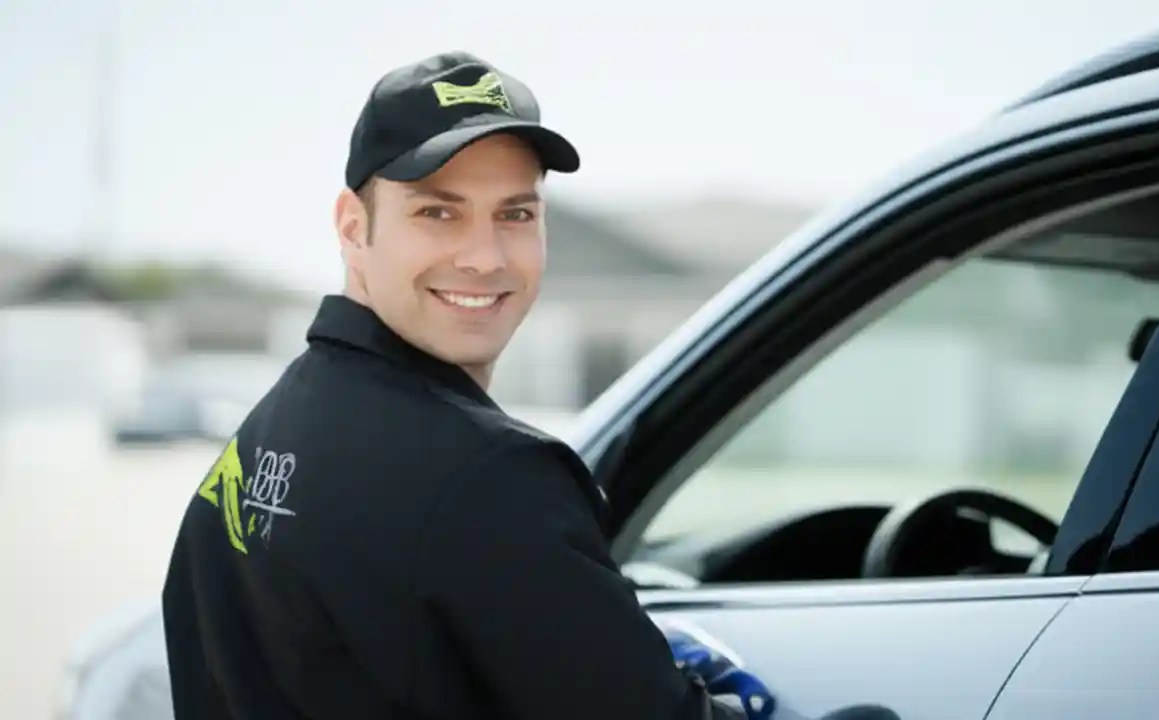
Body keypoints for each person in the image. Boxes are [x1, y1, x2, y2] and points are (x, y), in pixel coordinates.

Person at [160, 51, 771, 719]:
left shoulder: (257, 446)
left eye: (515, 215)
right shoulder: (492, 480)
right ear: (352, 226)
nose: (485, 258)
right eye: (438, 213)